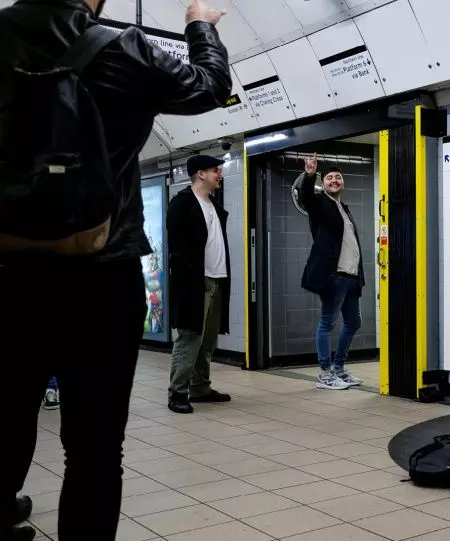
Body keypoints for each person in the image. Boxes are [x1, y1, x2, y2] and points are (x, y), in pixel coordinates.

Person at [0, 0, 232, 539]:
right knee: (96, 448)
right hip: (100, 273)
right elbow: (210, 86)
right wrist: (200, 24)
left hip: (7, 275)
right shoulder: (123, 48)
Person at [166, 155, 232, 414]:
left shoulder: (213, 205)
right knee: (190, 337)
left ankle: (200, 388)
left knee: (208, 340)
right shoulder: (182, 203)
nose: (220, 174)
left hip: (216, 279)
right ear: (200, 174)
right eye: (216, 170)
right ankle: (177, 393)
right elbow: (176, 250)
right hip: (194, 282)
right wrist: (187, 275)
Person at [295, 153, 365, 390]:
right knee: (327, 323)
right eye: (329, 178)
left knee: (353, 322)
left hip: (351, 276)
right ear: (323, 183)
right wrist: (310, 173)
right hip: (333, 276)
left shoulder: (342, 207)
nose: (334, 180)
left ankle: (339, 369)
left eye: (338, 177)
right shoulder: (319, 203)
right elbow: (305, 197)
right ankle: (325, 374)